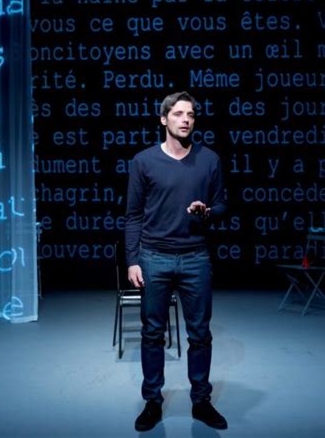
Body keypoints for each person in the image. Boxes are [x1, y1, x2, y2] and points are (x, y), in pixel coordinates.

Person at [125, 91, 228, 431]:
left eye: (191, 115)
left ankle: (201, 401)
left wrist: (207, 211)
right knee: (153, 333)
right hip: (153, 257)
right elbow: (133, 215)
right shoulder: (143, 161)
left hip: (196, 257)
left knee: (200, 334)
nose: (186, 120)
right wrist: (133, 260)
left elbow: (222, 205)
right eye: (178, 114)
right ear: (163, 119)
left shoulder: (209, 160)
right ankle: (152, 401)